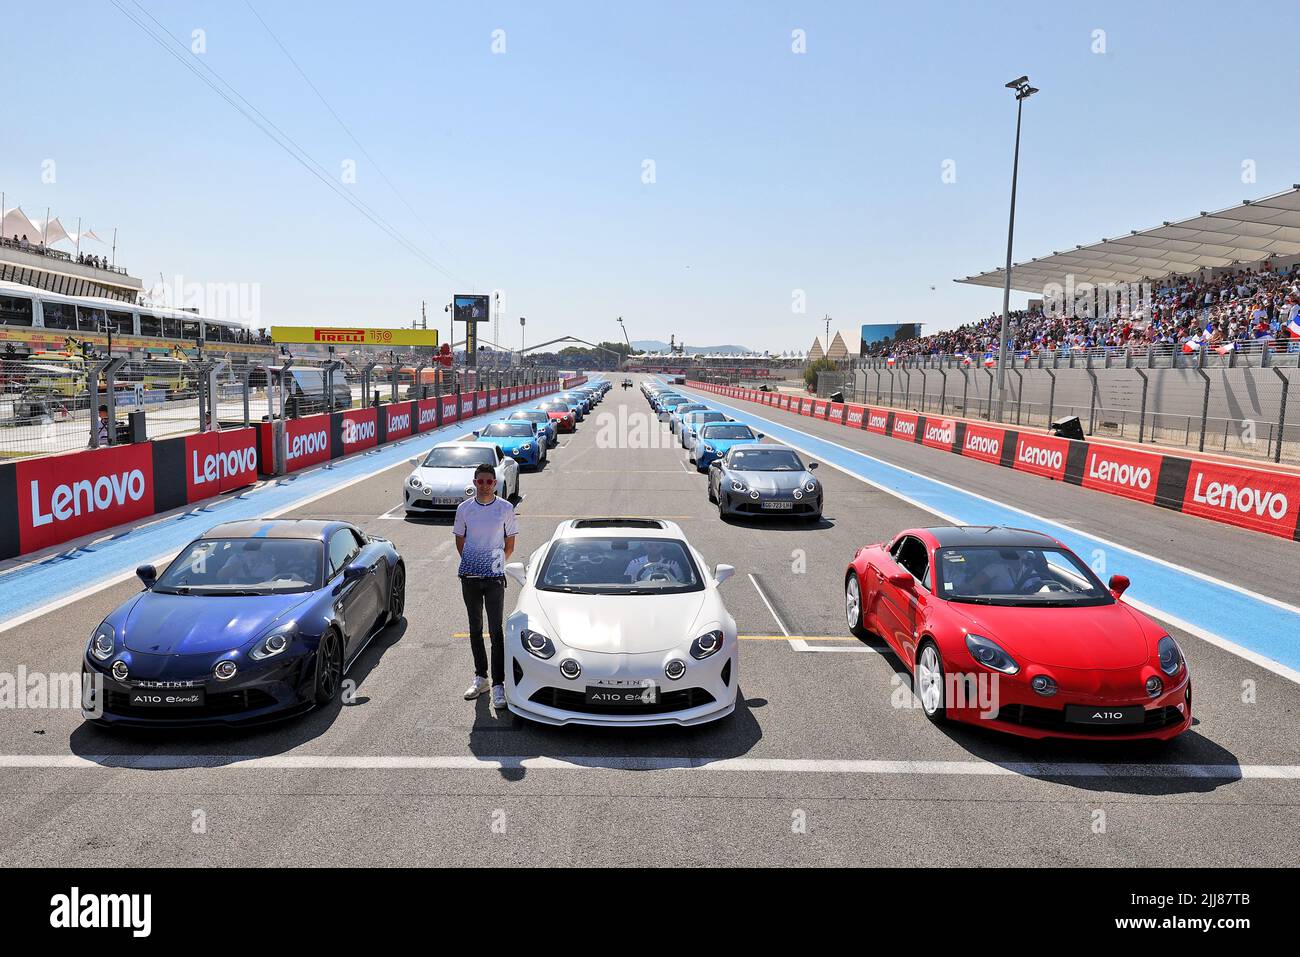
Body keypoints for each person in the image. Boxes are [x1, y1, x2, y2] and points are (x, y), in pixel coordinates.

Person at [453, 463, 518, 708]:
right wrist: (474, 563)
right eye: (480, 481)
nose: (484, 486)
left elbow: (509, 544)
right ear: (474, 482)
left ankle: (498, 684)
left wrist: (495, 564)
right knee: (474, 627)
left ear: (495, 483)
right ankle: (481, 677)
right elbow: (460, 541)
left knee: (496, 630)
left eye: (489, 482)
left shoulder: (506, 508)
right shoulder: (464, 509)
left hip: (494, 578)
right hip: (469, 576)